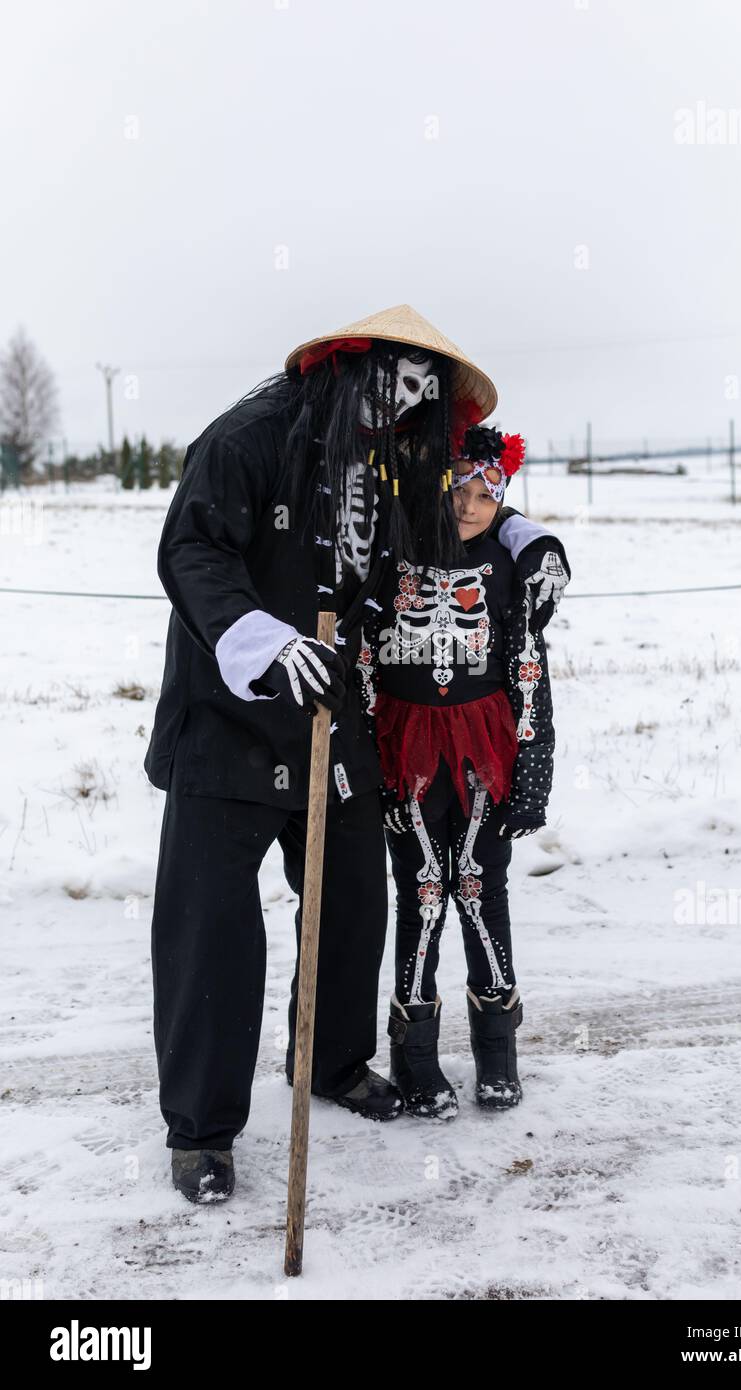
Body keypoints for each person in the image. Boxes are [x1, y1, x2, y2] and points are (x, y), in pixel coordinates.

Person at [144, 304, 570, 1202]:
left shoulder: (400, 457)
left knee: (348, 910)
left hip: (335, 722)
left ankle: (334, 1063)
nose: (404, 402)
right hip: (230, 718)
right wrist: (261, 640)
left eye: (422, 392)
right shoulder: (247, 439)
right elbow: (192, 548)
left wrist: (530, 541)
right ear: (344, 369)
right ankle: (201, 1130)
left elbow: (472, 501)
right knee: (212, 932)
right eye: (393, 382)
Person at [356, 421, 567, 1119]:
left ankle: (497, 1050)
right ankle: (414, 1059)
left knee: (479, 889)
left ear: (501, 499)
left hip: (484, 748)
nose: (470, 506)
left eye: (486, 494)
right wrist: (365, 760)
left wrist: (533, 771)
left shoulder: (510, 566)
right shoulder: (397, 554)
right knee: (419, 893)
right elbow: (362, 658)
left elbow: (529, 670)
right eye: (458, 492)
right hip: (408, 750)